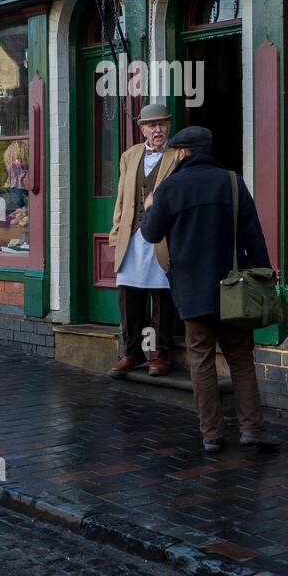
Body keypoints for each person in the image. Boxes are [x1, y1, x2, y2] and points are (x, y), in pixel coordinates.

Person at [141, 125, 280, 454]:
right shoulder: (232, 182)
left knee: (201, 361)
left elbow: (150, 234)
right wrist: (265, 279)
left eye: (177, 151)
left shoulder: (170, 188)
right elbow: (254, 238)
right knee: (241, 360)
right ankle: (252, 430)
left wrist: (150, 206)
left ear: (185, 153)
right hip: (235, 290)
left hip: (192, 291)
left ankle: (212, 436)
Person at [108, 103, 178, 377]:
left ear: (168, 126)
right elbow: (122, 199)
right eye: (151, 125)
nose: (157, 129)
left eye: (161, 124)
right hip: (131, 236)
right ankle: (132, 351)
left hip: (162, 237)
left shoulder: (178, 155)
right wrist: (115, 232)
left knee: (162, 296)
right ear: (142, 129)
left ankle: (161, 355)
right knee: (129, 295)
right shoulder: (129, 156)